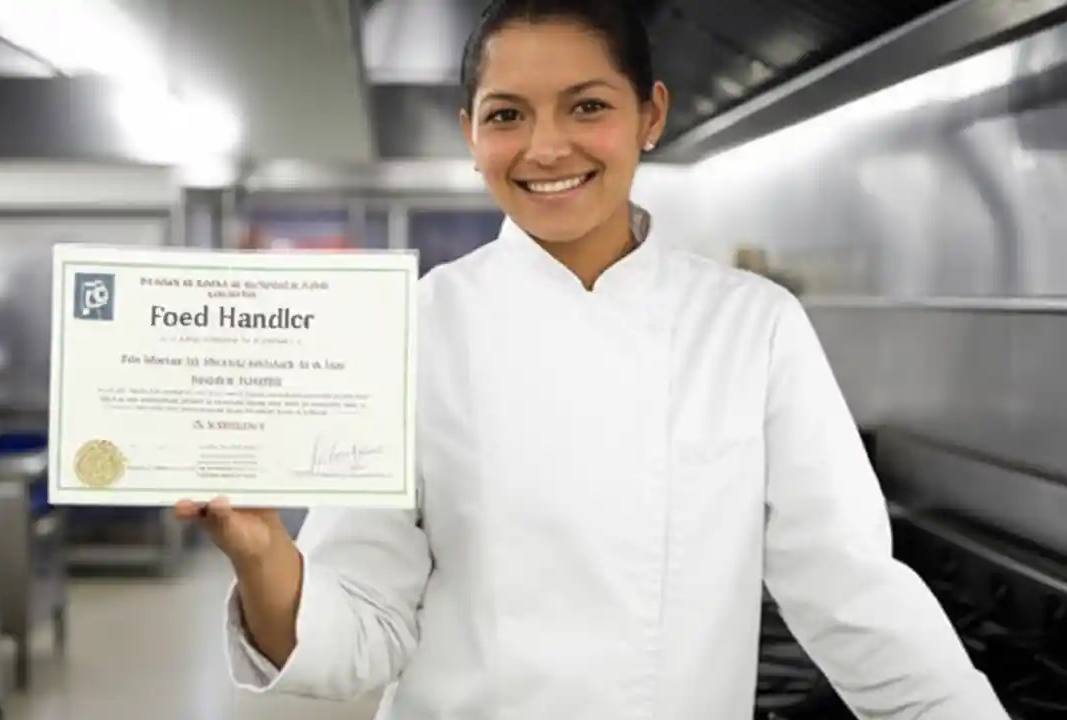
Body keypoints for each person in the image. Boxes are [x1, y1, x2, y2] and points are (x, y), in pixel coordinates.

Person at [175, 1, 1009, 717]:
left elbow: (853, 593)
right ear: (470, 134)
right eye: (506, 114)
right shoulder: (413, 329)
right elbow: (359, 635)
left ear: (649, 115)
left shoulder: (752, 327)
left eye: (586, 107)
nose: (545, 148)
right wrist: (260, 551)